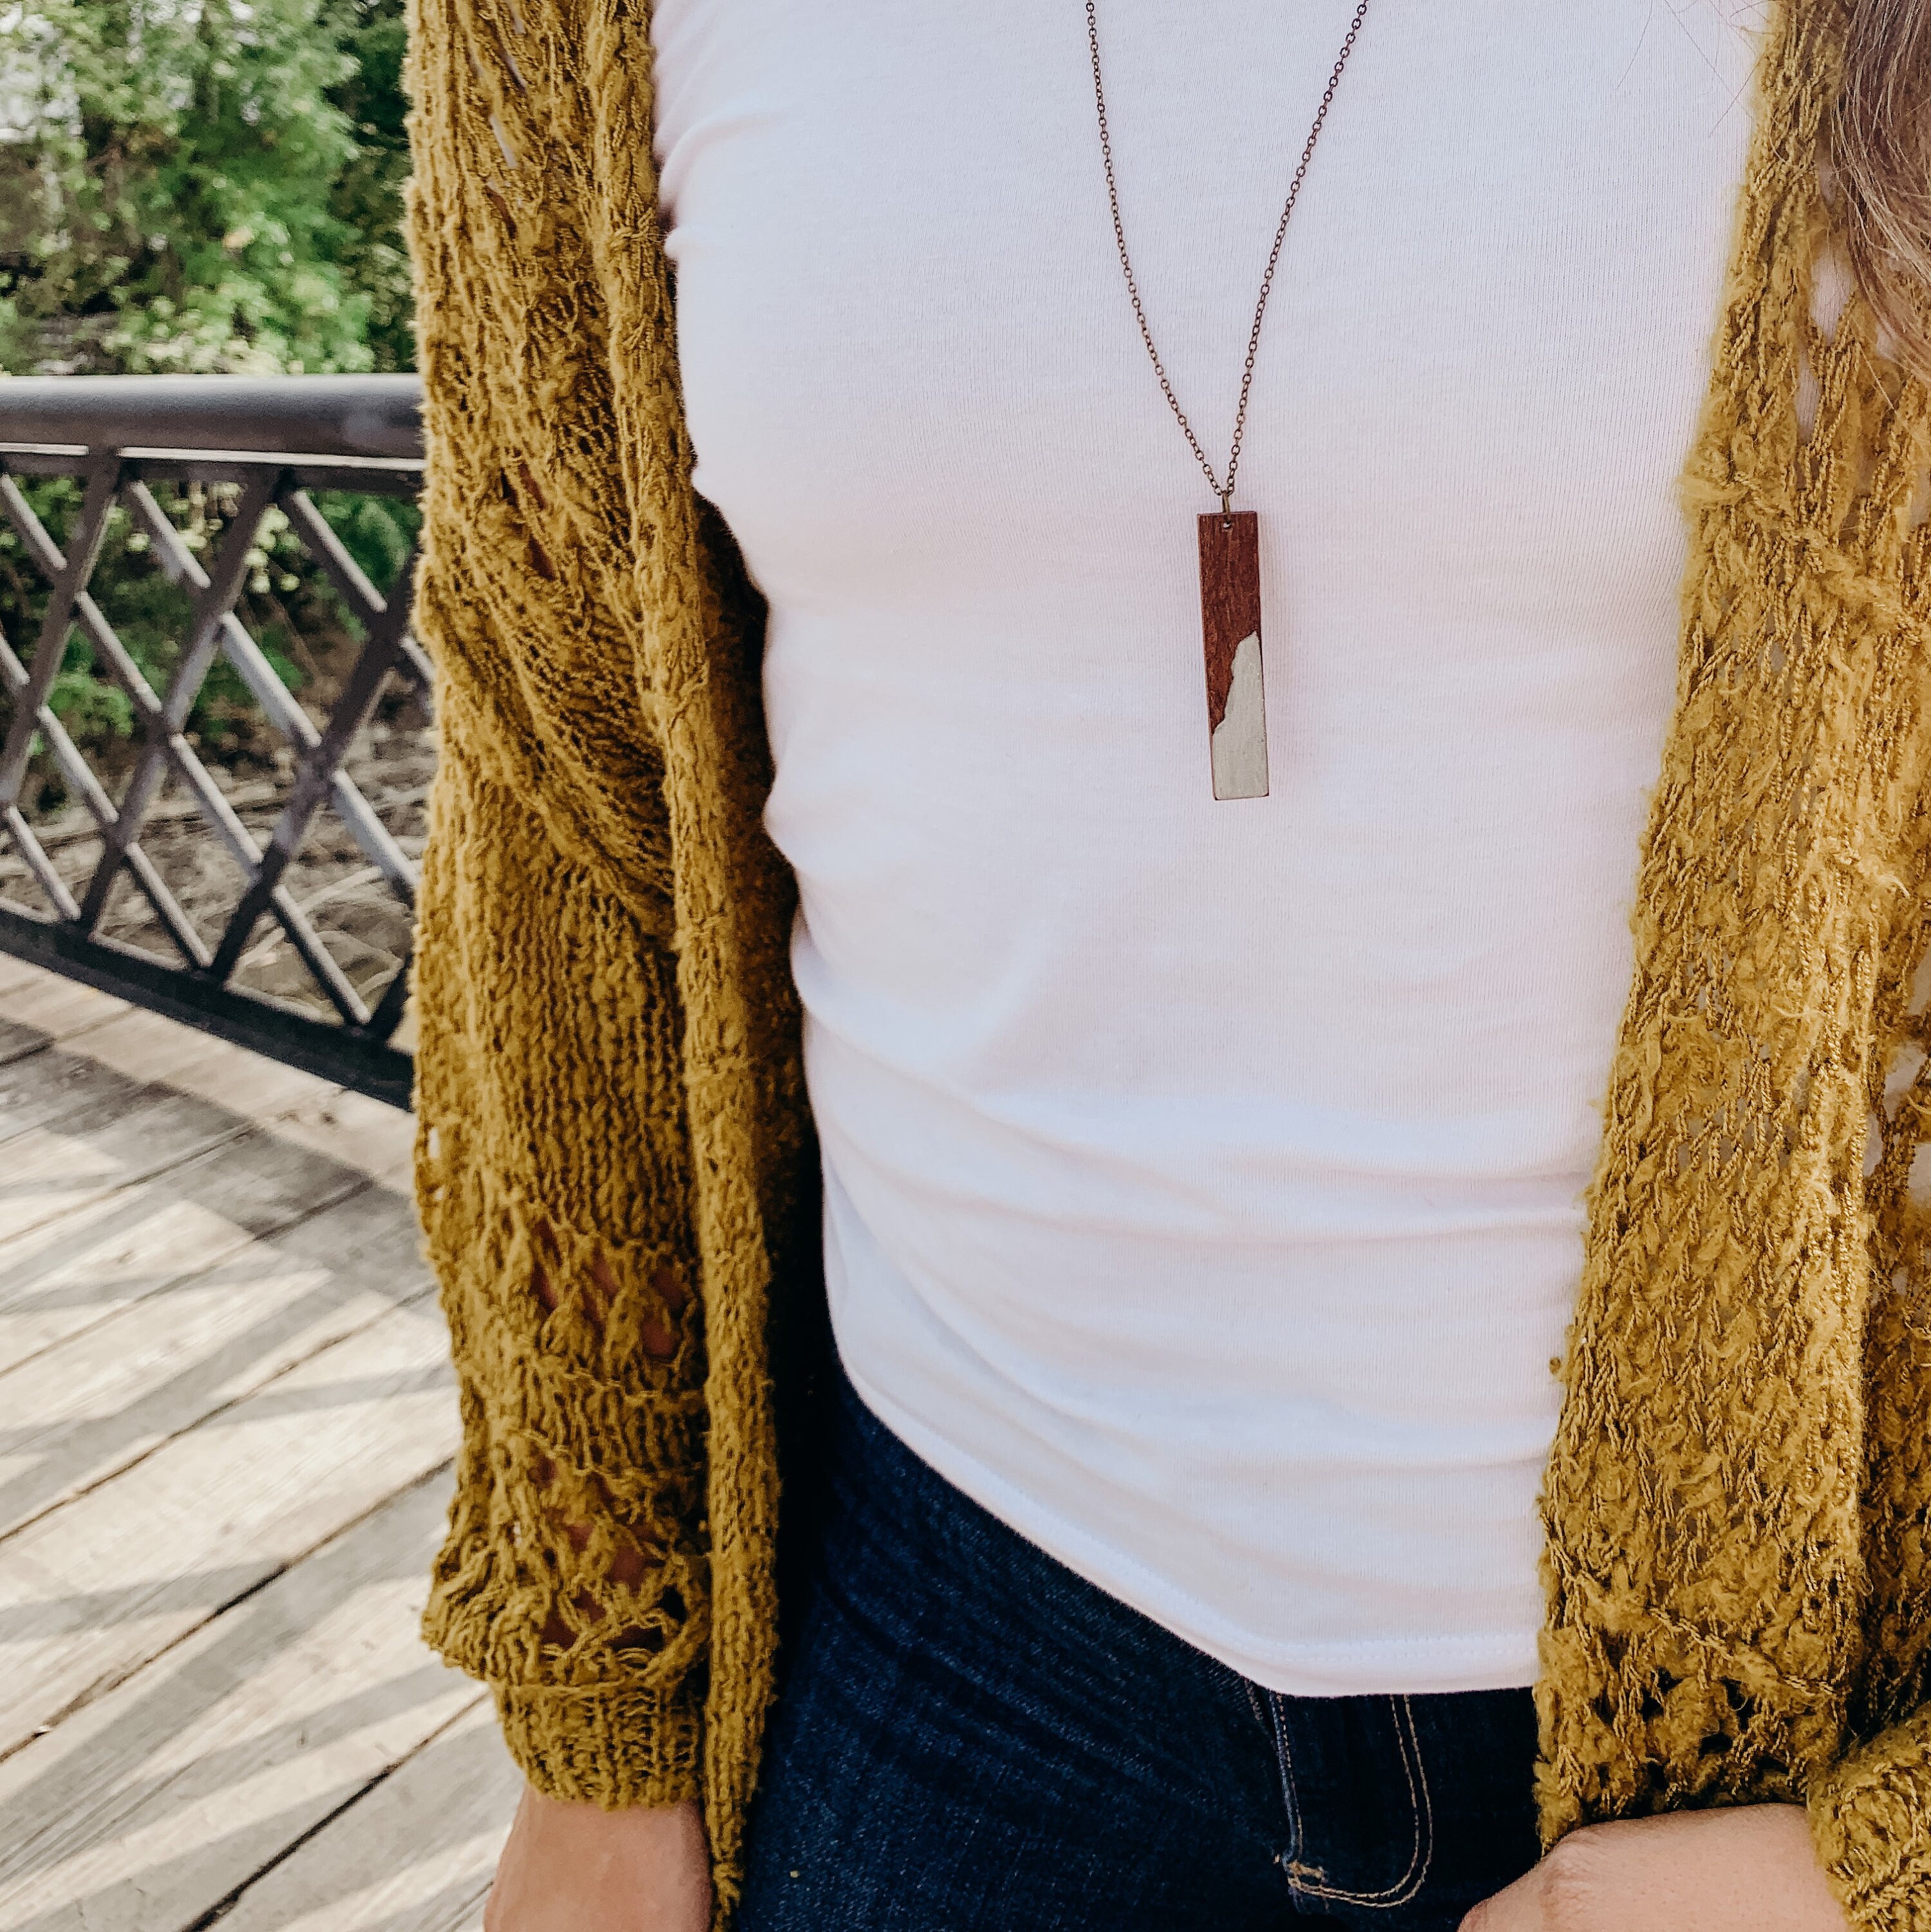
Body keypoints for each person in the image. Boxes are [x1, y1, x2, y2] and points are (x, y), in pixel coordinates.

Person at [400, 0, 1931, 1926]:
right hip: (949, 1643)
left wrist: (1885, 1864)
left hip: (1794, 1720)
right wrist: (599, 1733)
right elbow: (563, 809)